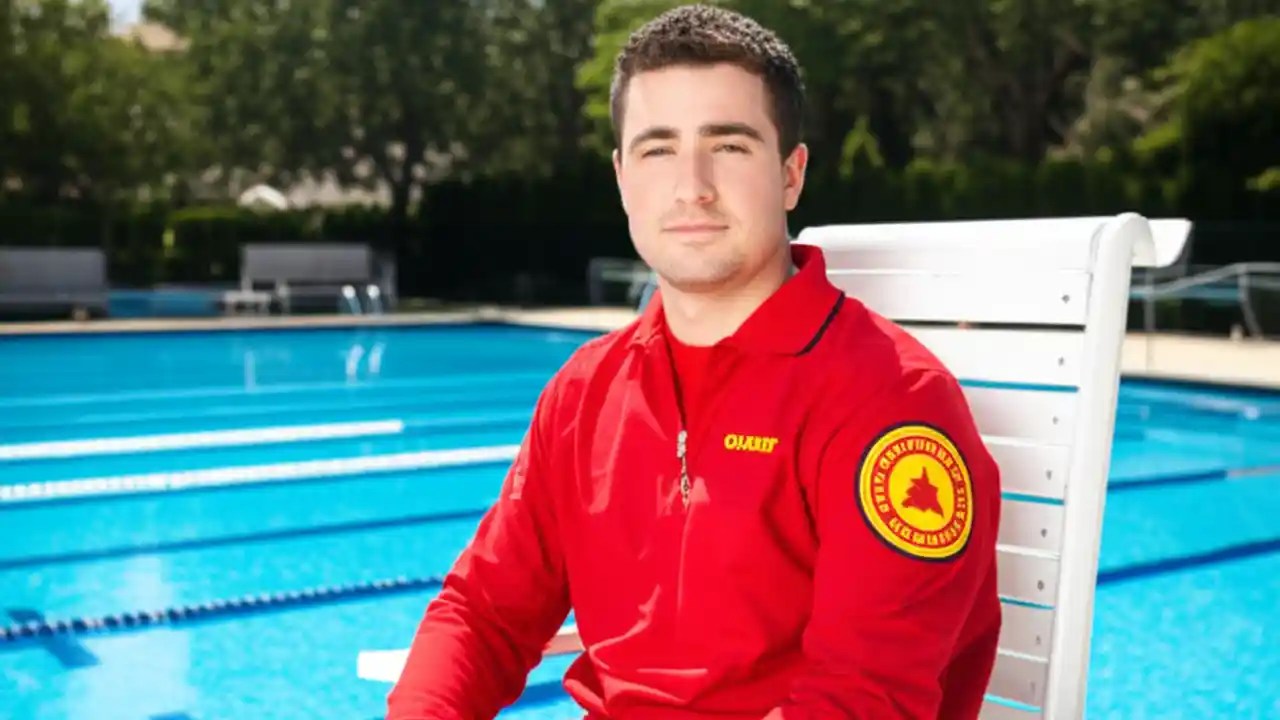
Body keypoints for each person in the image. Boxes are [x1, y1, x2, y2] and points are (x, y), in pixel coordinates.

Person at [386, 5, 1002, 719]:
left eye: (730, 146)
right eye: (657, 150)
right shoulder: (587, 392)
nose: (692, 187)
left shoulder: (889, 401)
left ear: (792, 174)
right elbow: (483, 612)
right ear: (621, 179)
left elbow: (862, 701)